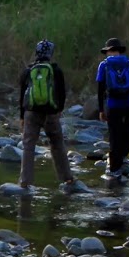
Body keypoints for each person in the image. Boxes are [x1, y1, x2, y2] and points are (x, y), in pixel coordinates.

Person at [17, 39, 77, 192]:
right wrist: (59, 109)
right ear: (50, 54)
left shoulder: (28, 70)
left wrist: (22, 116)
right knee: (57, 144)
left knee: (28, 146)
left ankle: (25, 182)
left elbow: (22, 95)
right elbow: (62, 93)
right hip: (51, 113)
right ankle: (67, 178)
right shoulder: (56, 70)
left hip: (31, 112)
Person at [95, 37, 129, 181]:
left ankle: (114, 168)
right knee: (127, 128)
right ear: (120, 51)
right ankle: (123, 157)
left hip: (114, 104)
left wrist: (101, 110)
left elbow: (100, 89)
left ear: (108, 51)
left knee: (114, 132)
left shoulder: (103, 65)